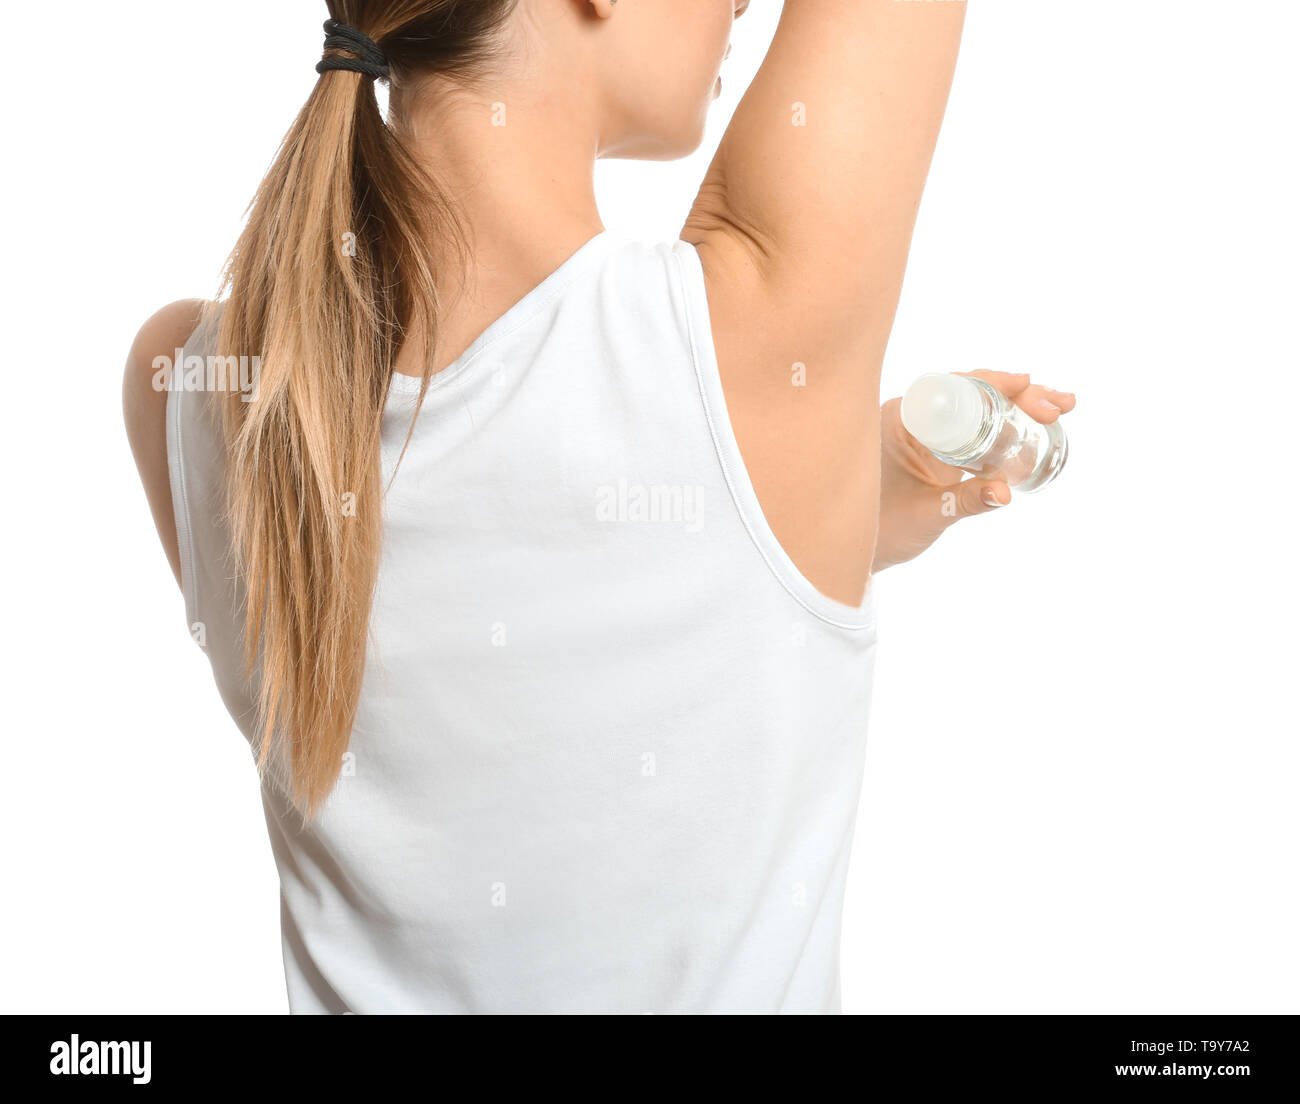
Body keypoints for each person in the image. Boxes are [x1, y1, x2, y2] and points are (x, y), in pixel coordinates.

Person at [123, 0, 1074, 1013]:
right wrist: (792, 488)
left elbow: (485, 635)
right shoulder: (748, 335)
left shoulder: (186, 383)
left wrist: (823, 501)